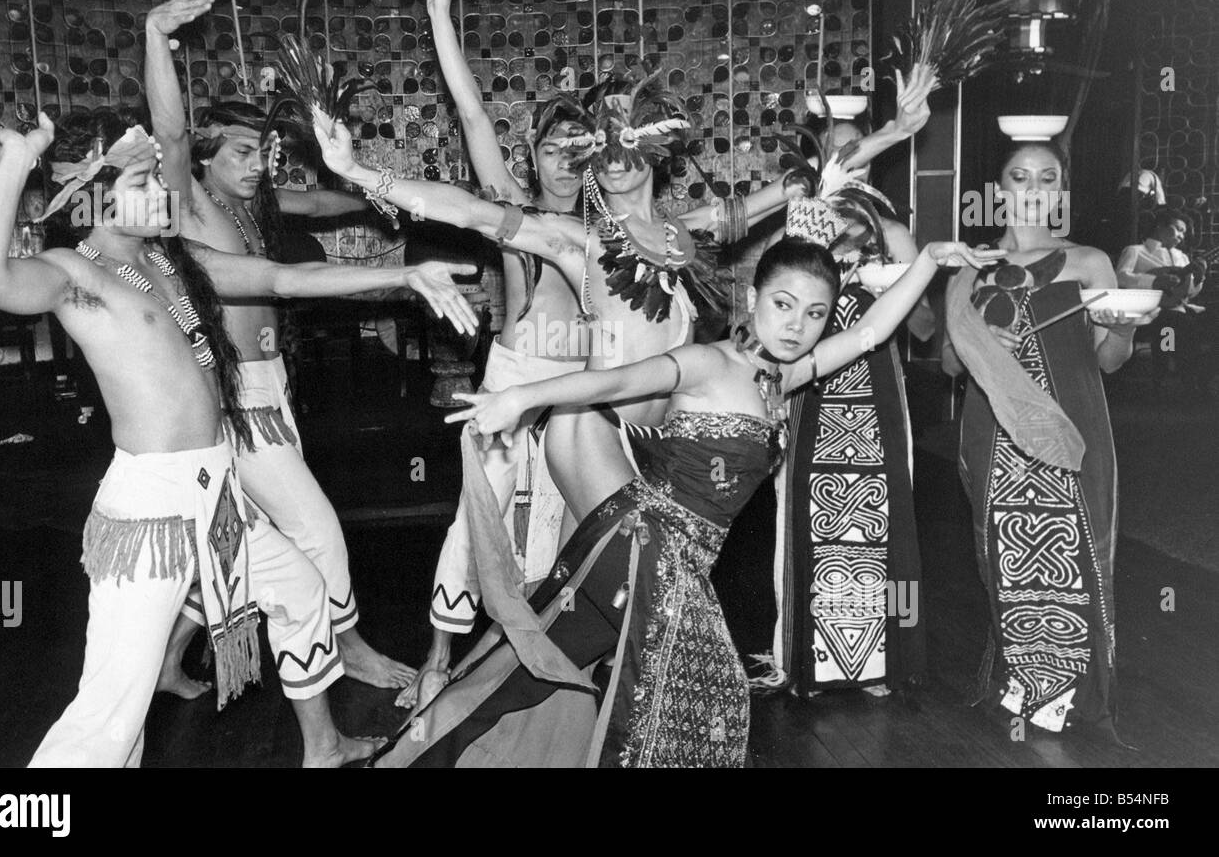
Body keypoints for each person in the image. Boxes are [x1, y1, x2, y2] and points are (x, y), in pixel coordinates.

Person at [0, 109, 476, 766]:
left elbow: (285, 279)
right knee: (113, 712)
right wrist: (16, 160)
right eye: (142, 183)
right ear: (88, 197)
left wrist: (402, 277)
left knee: (303, 594)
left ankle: (324, 748)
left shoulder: (171, 260)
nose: (162, 195)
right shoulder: (74, 276)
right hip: (154, 514)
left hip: (219, 492)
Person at [369, 230, 998, 767]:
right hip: (646, 546)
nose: (796, 325)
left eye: (813, 314)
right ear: (753, 299)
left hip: (670, 557)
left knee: (525, 670)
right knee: (705, 691)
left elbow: (867, 335)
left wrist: (930, 260)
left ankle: (410, 757)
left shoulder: (781, 377)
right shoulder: (708, 362)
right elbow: (613, 380)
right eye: (783, 304)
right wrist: (520, 399)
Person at [144, 0, 419, 692]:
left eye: (261, 150)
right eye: (239, 151)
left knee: (237, 544)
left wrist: (385, 193)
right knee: (317, 529)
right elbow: (169, 131)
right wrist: (155, 36)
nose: (255, 162)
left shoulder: (255, 203)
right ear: (203, 159)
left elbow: (325, 199)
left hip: (272, 396)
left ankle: (168, 661)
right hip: (235, 407)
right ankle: (347, 648)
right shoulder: (194, 205)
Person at [399, 0, 590, 708]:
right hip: (513, 376)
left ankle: (534, 649)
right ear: (533, 155)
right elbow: (474, 115)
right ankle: (439, 657)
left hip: (580, 382)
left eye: (581, 153)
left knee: (564, 515)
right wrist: (441, 18)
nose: (567, 165)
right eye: (552, 149)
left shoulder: (604, 230)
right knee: (474, 511)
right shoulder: (514, 209)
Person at [943, 140, 1159, 735]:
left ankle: (1073, 689)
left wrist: (1123, 329)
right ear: (999, 190)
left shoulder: (1090, 260)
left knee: (1078, 551)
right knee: (1007, 552)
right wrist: (983, 340)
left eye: (1047, 177)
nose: (1033, 187)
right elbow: (949, 364)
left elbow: (1110, 361)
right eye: (1019, 175)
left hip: (1076, 426)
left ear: (1061, 190)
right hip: (996, 432)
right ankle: (1023, 678)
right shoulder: (970, 263)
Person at [751, 110, 934, 697]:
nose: (851, 162)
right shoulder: (802, 227)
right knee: (806, 518)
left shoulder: (895, 233)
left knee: (880, 526)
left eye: (860, 152)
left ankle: (879, 662)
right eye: (839, 153)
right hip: (809, 395)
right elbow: (771, 313)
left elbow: (926, 329)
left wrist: (896, 289)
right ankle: (804, 660)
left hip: (876, 398)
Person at [1116, 208, 1208, 391]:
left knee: (1196, 322)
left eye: (1184, 232)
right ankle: (1165, 371)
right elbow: (1120, 277)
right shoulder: (1136, 251)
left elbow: (1186, 294)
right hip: (1147, 308)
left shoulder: (1182, 258)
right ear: (1160, 226)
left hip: (1177, 308)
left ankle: (1194, 377)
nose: (1181, 235)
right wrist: (1154, 280)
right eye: (1177, 229)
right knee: (1171, 324)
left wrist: (1199, 279)